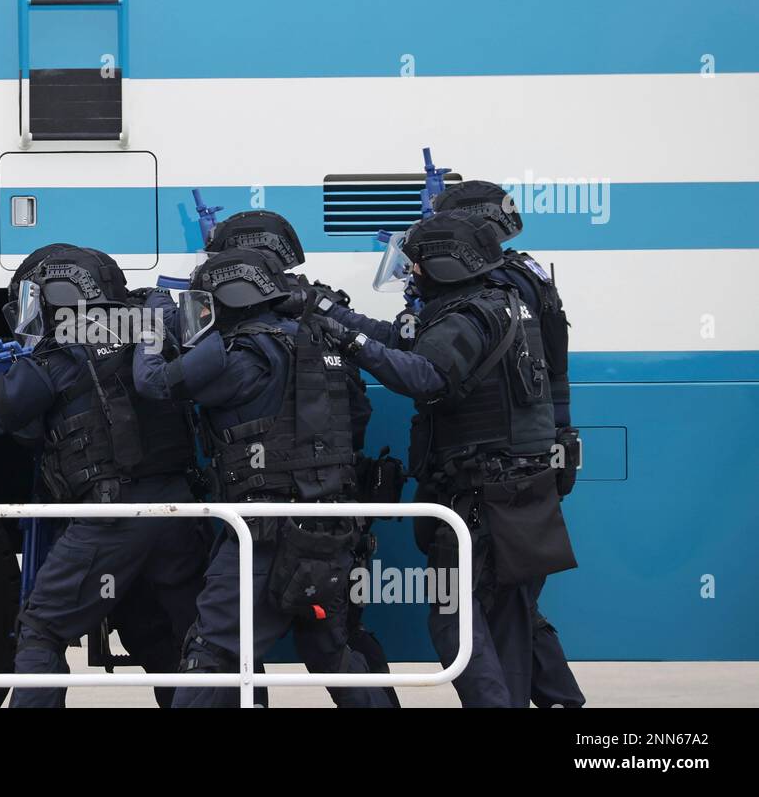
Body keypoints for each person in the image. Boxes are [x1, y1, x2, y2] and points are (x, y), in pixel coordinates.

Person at [0, 246, 208, 707]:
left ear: (59, 296)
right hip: (180, 512)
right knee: (175, 635)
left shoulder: (61, 353)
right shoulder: (152, 332)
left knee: (41, 629)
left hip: (112, 517)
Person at [319, 211, 579, 707]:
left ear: (443, 265)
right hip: (514, 493)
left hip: (483, 498)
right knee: (510, 620)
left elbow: (423, 375)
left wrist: (347, 341)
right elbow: (403, 341)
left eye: (414, 265)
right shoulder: (497, 303)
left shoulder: (465, 316)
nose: (409, 274)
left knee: (453, 618)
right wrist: (333, 312)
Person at [134, 247, 395, 708]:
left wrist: (153, 324)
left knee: (211, 653)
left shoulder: (241, 356)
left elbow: (156, 384)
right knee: (329, 651)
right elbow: (358, 415)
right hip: (329, 527)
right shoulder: (321, 344)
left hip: (267, 534)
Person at [205, 210, 402, 704]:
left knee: (220, 650)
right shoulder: (322, 315)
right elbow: (357, 411)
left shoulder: (247, 334)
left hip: (271, 514)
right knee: (331, 645)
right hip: (329, 507)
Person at [432, 180, 585, 708]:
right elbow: (555, 367)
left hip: (499, 461)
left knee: (491, 606)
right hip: (537, 454)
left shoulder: (494, 287)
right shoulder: (530, 276)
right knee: (517, 602)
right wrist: (561, 433)